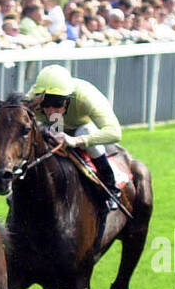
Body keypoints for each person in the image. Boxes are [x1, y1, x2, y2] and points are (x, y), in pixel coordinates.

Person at [27, 63, 124, 210]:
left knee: (86, 134)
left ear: (68, 98)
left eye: (57, 103)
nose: (51, 110)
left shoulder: (86, 96)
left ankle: (111, 188)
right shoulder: (33, 97)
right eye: (46, 104)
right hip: (55, 127)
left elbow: (115, 132)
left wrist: (76, 141)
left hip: (82, 128)